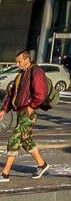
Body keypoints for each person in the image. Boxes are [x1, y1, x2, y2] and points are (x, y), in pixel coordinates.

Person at [0, 50, 50, 181]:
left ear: (27, 59)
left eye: (19, 61)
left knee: (14, 138)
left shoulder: (36, 71)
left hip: (28, 112)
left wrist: (31, 107)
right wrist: (4, 110)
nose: (17, 64)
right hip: (21, 111)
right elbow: (12, 94)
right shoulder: (21, 74)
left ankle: (5, 173)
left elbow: (41, 92)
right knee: (25, 140)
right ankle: (42, 164)